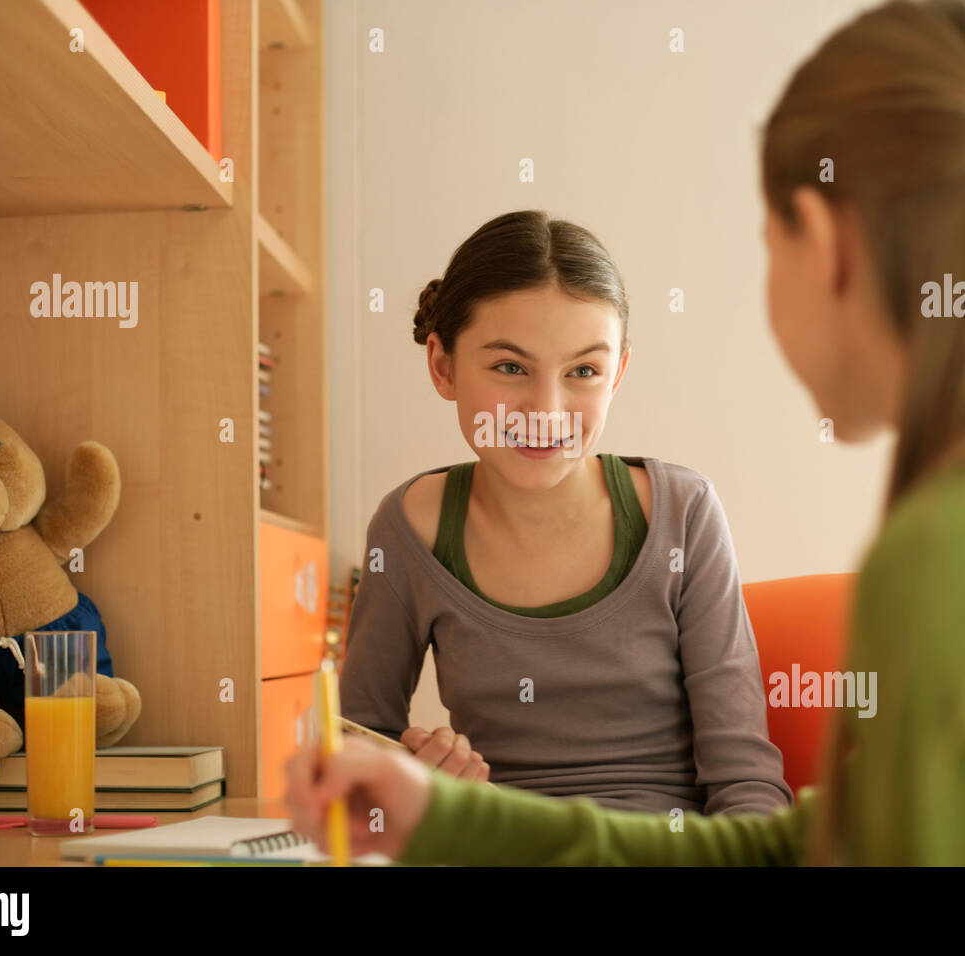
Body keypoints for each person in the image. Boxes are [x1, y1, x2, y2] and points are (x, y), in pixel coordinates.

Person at [288, 0, 965, 864]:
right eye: (511, 366)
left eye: (767, 236)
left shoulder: (953, 546)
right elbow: (807, 848)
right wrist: (448, 819)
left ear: (825, 244)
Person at [337, 209, 791, 816]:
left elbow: (748, 788)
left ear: (618, 373)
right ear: (442, 366)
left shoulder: (684, 512)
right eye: (509, 367)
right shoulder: (407, 527)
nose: (546, 409)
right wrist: (419, 791)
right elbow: (354, 756)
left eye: (583, 371)